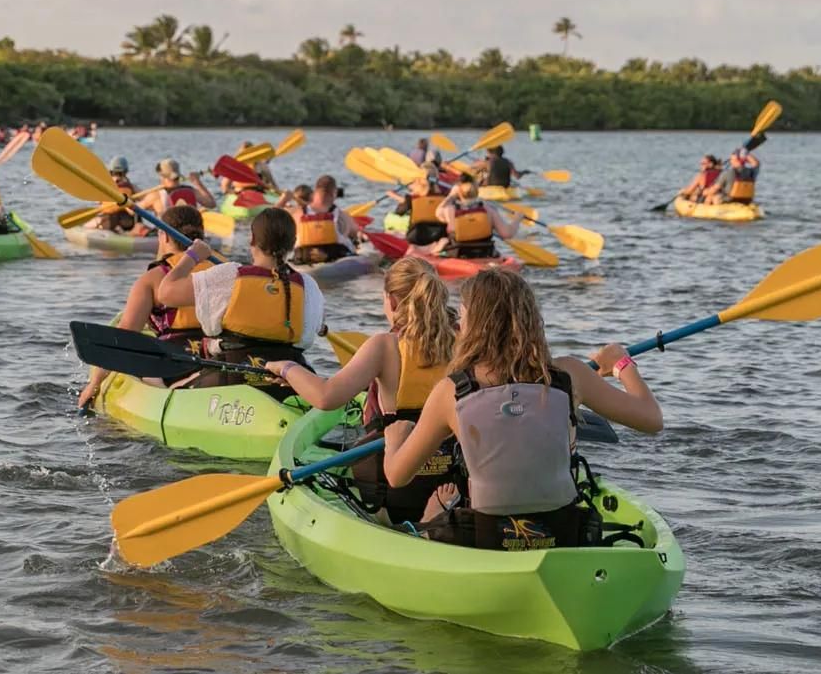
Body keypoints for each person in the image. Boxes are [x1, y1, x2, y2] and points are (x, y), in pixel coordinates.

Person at [382, 269, 664, 547]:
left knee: (427, 519)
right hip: (563, 534)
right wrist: (620, 362)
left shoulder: (451, 391)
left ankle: (433, 517)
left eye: (463, 315)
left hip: (488, 537)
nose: (459, 325)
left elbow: (397, 476)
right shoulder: (570, 375)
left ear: (474, 326)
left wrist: (394, 441)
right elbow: (651, 419)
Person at [268, 257, 459, 524]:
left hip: (397, 487)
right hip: (452, 481)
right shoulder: (463, 343)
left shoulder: (384, 346)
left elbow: (326, 397)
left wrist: (287, 367)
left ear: (391, 301)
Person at [156, 208, 325, 390]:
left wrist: (193, 255)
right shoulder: (308, 286)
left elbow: (166, 293)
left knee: (165, 385)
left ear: (252, 240)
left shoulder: (229, 275)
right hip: (289, 378)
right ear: (293, 244)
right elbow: (310, 334)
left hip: (232, 374)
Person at [77, 205, 209, 409]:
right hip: (214, 356)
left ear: (164, 236)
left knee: (142, 366)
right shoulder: (223, 270)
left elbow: (124, 338)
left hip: (173, 364)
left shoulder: (152, 279)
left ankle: (170, 392)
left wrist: (94, 383)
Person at [283, 174, 361, 265]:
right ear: (334, 193)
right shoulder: (342, 216)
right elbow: (356, 233)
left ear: (314, 192)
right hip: (335, 258)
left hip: (303, 259)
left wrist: (283, 199)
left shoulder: (297, 213)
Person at [437, 174, 517, 259]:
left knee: (440, 243)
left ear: (458, 192)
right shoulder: (488, 209)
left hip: (458, 253)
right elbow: (507, 234)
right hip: (485, 253)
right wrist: (517, 218)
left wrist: (451, 195)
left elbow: (437, 213)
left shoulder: (450, 210)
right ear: (477, 191)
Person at [137, 158, 217, 214]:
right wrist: (197, 182)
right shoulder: (190, 191)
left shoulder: (155, 196)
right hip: (188, 232)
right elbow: (212, 204)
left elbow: (132, 210)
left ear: (162, 176)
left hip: (167, 235)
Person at [390, 174, 448, 251]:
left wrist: (402, 200)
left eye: (412, 183)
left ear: (417, 184)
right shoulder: (444, 198)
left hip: (416, 237)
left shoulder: (412, 199)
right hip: (438, 236)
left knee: (393, 232)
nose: (410, 186)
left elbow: (399, 212)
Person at [94, 156, 138, 233]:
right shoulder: (132, 186)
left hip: (111, 223)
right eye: (116, 174)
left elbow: (98, 204)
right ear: (125, 172)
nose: (117, 177)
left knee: (93, 222)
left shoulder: (104, 187)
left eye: (119, 174)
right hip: (128, 223)